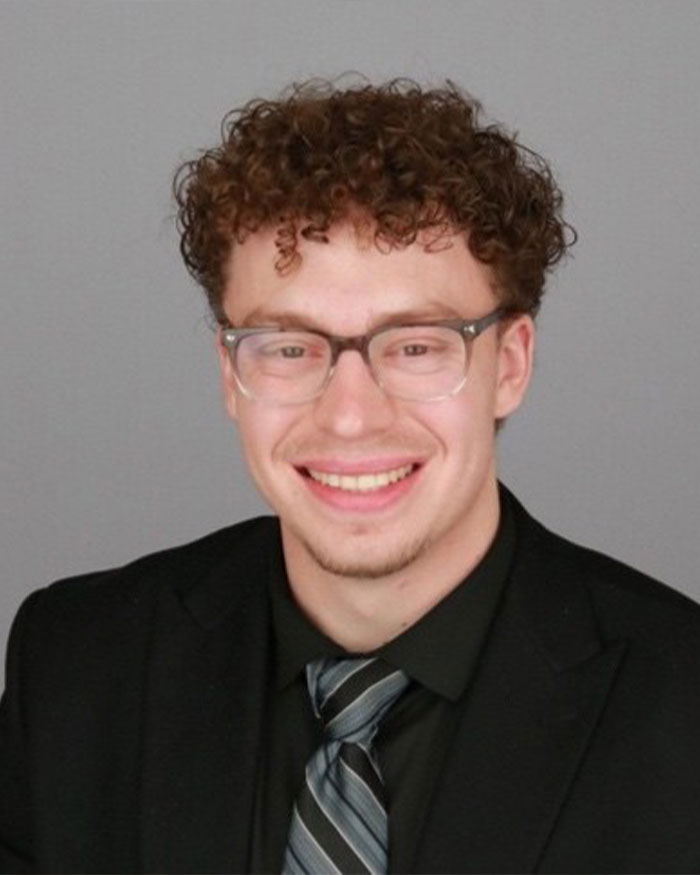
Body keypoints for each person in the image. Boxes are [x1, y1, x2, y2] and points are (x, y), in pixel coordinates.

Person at [1, 78, 699, 875]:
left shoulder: (683, 708)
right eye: (291, 346)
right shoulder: (79, 668)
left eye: (415, 345)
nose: (351, 417)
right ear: (231, 375)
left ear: (510, 364)